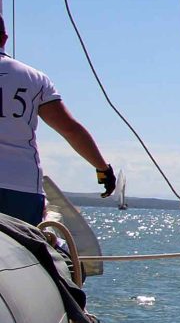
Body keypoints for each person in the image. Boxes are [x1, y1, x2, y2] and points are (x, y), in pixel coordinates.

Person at [0, 17, 113, 224]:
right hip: (20, 187)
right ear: (4, 38)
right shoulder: (34, 78)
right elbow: (70, 129)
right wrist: (102, 168)